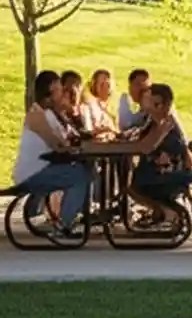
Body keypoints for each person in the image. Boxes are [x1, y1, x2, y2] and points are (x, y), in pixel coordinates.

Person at [10, 70, 93, 237]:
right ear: (49, 91)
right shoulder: (37, 115)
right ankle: (64, 224)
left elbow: (65, 141)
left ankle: (71, 218)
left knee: (84, 172)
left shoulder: (50, 114)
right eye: (59, 89)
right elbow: (57, 144)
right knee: (80, 176)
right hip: (32, 173)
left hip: (42, 168)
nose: (63, 93)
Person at [128, 83, 192, 228]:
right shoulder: (155, 120)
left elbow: (146, 147)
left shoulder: (164, 123)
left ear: (158, 104)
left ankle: (167, 213)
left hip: (164, 173)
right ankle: (160, 212)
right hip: (156, 170)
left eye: (147, 97)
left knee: (129, 186)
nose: (142, 98)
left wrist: (127, 146)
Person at [83, 69, 118, 135]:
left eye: (107, 84)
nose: (105, 88)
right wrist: (106, 129)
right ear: (94, 86)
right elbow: (88, 131)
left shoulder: (114, 106)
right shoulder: (88, 106)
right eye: (102, 85)